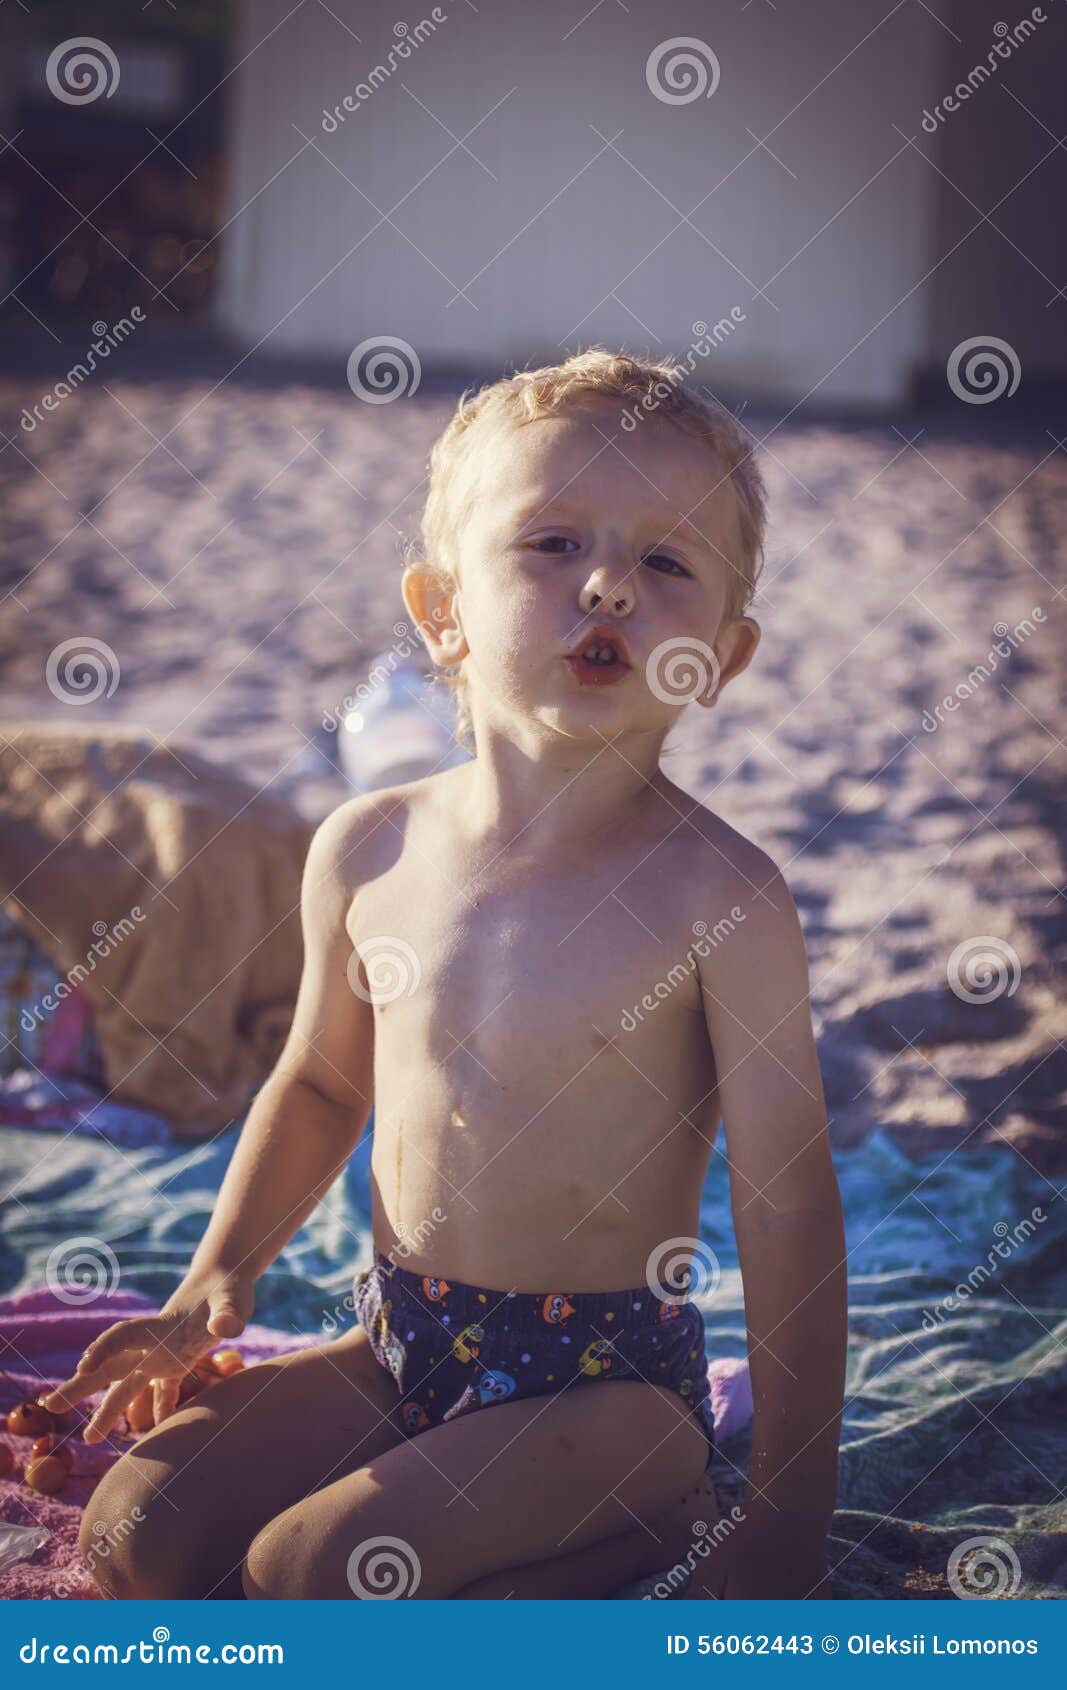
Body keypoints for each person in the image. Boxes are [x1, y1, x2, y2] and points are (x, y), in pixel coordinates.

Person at [46, 348, 846, 1601]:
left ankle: (658, 1512)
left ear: (723, 655)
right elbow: (316, 1084)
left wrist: (790, 1508)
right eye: (550, 542)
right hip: (400, 1343)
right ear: (440, 609)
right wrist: (215, 1284)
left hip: (608, 1390)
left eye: (665, 562)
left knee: (305, 1580)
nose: (606, 585)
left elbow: (788, 1201)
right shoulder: (369, 847)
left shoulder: (719, 897)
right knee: (133, 1535)